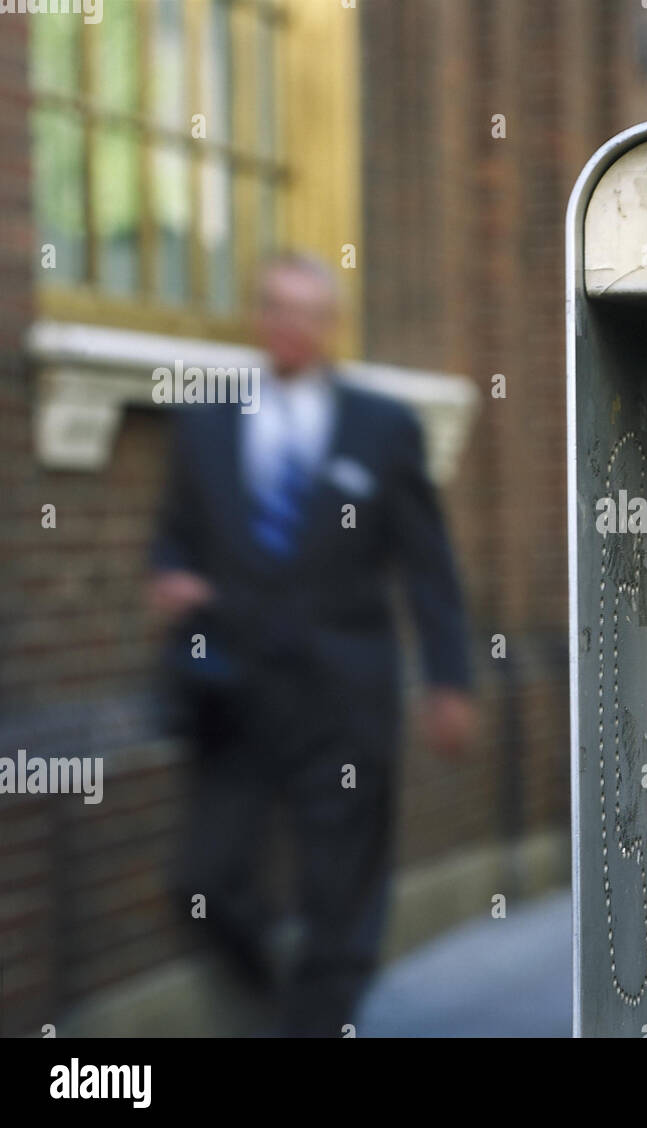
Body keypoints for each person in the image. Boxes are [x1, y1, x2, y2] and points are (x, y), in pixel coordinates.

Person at [149, 252, 475, 1035]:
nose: (289, 325)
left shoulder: (382, 428)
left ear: (330, 326)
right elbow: (173, 537)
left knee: (340, 899)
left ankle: (315, 1022)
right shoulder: (208, 424)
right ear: (258, 317)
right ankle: (277, 1002)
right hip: (234, 696)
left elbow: (429, 567)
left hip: (344, 704)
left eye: (306, 311)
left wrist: (448, 680)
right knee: (208, 880)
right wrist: (171, 578)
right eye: (275, 308)